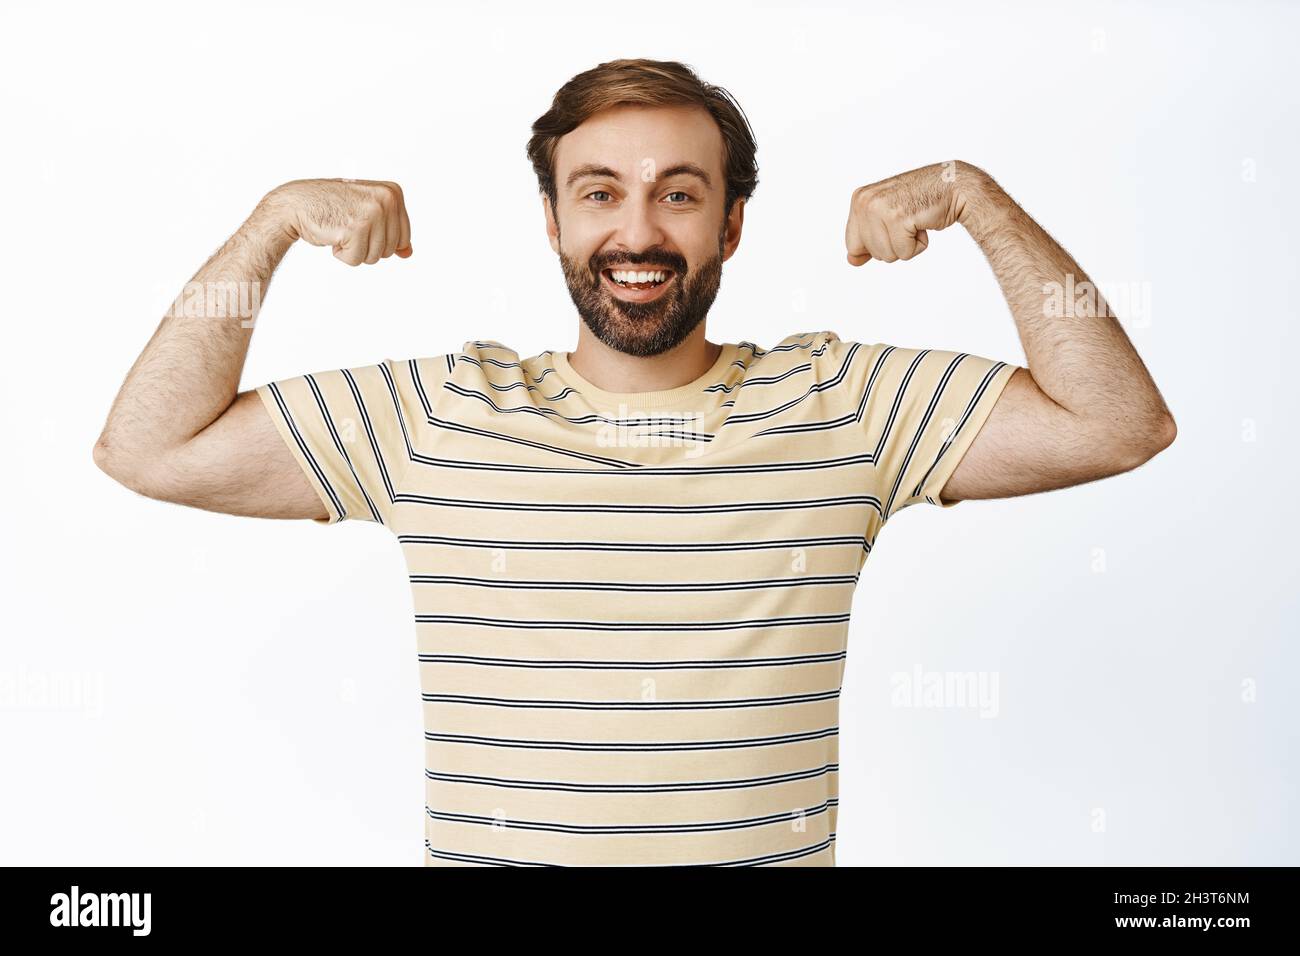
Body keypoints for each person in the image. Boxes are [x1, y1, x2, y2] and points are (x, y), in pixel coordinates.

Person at [92, 58, 1176, 867]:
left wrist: (975, 198)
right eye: (600, 191)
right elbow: (146, 446)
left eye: (680, 191)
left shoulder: (845, 403)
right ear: (554, 221)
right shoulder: (434, 410)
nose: (639, 230)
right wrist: (271, 221)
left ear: (732, 224)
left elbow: (1116, 423)